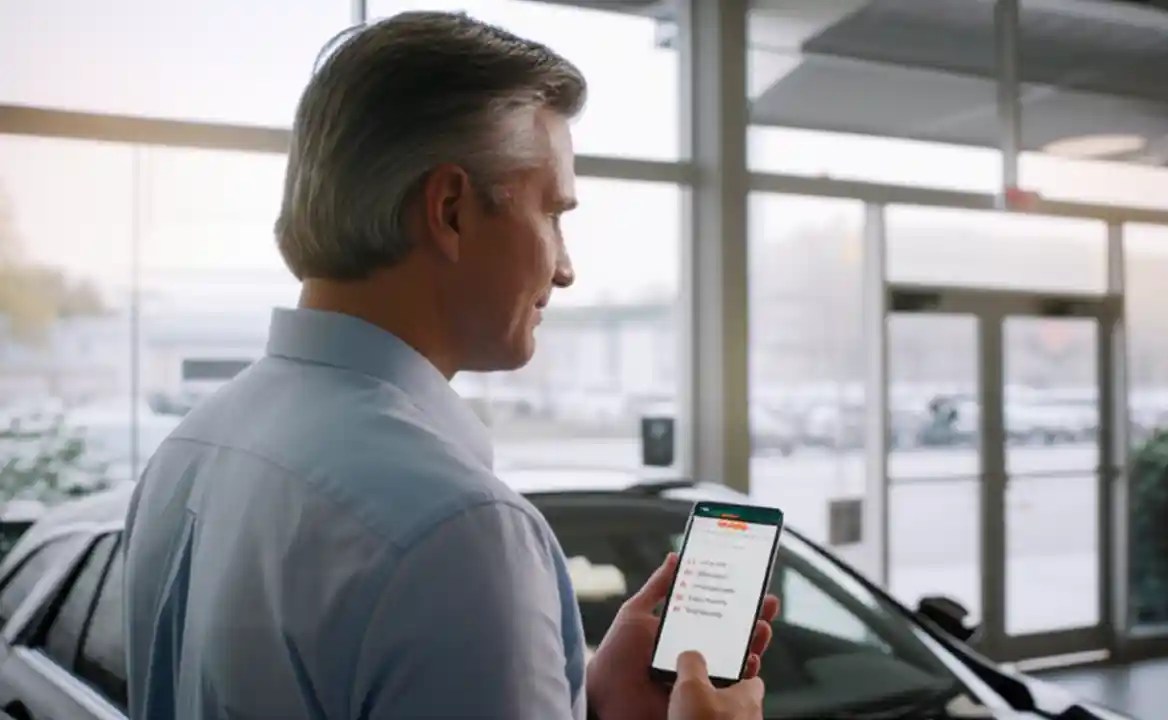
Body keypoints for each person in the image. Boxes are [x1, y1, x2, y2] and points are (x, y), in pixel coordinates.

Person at [122, 11, 779, 720]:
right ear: (451, 210)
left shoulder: (189, 448)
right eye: (553, 213)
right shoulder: (460, 533)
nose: (565, 269)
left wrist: (581, 706)